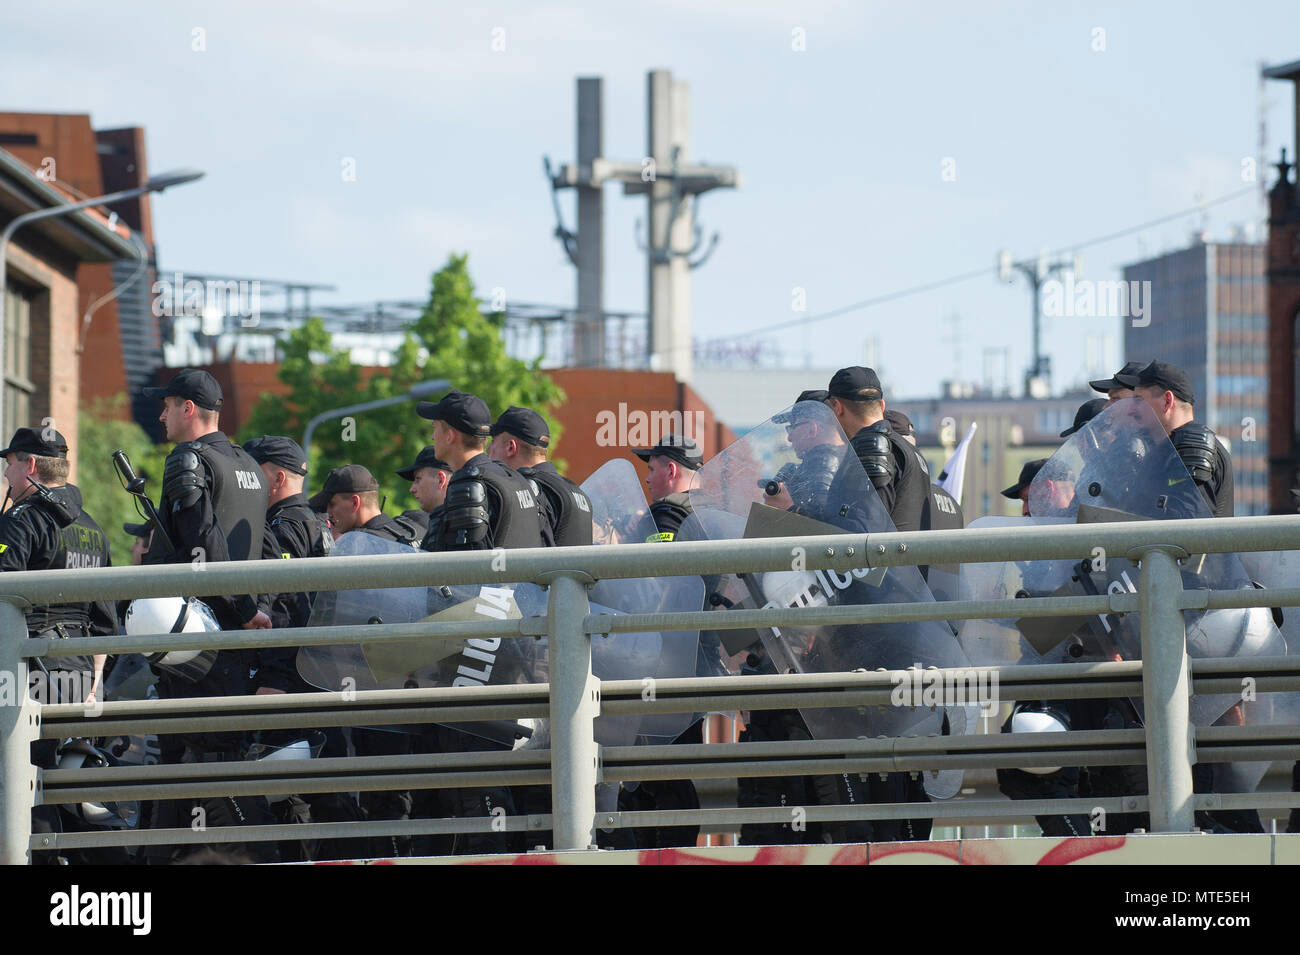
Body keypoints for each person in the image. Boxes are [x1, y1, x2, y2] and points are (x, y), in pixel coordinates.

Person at [139, 368, 278, 862]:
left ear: (189, 409)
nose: (161, 414)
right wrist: (255, 609)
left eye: (168, 405)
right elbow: (263, 549)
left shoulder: (189, 459)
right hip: (237, 637)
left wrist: (242, 609)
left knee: (200, 761)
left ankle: (259, 857)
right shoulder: (248, 465)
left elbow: (202, 543)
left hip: (197, 636)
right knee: (209, 757)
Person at [418, 390, 545, 853]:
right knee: (496, 774)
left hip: (475, 651)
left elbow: (462, 574)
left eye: (435, 427)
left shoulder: (471, 482)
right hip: (514, 646)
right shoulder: (517, 482)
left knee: (473, 783)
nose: (431, 434)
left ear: (450, 434)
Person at [1113, 360, 1234, 518]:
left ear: (1167, 401)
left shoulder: (1192, 445)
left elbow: (1188, 521)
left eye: (1138, 400)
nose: (1131, 409)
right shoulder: (1165, 449)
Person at [825, 366, 927, 533]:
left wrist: (800, 513)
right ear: (882, 405)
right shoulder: (909, 449)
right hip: (906, 556)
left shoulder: (871, 446)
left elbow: (866, 528)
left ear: (837, 406)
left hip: (884, 558)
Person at [489, 406, 593, 547]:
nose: (488, 449)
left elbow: (533, 560)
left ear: (510, 447)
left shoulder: (531, 491)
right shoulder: (577, 491)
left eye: (493, 441)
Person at [309, 464, 419, 545]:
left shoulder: (356, 546)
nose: (328, 513)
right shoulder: (410, 530)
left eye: (332, 504)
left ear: (354, 503)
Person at [633, 434, 703, 542]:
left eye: (652, 470)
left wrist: (633, 534)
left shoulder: (668, 513)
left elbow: (657, 558)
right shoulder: (716, 511)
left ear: (671, 471)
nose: (647, 479)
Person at [396, 445, 453, 550]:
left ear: (441, 480)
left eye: (418, 479)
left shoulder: (454, 528)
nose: (412, 489)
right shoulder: (457, 524)